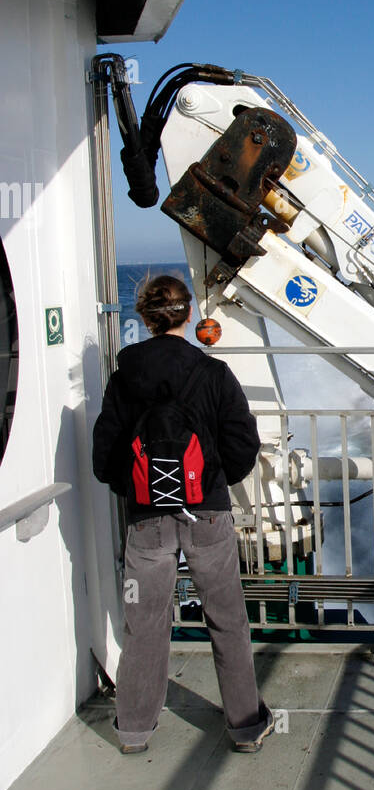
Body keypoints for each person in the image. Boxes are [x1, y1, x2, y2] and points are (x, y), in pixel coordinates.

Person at [92, 274, 274, 754]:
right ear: (189, 315)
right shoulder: (212, 374)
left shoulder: (123, 378)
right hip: (208, 515)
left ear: (147, 319)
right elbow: (243, 443)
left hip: (146, 519)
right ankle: (245, 727)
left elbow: (104, 457)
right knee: (227, 620)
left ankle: (133, 730)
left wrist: (135, 491)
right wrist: (214, 481)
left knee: (144, 624)